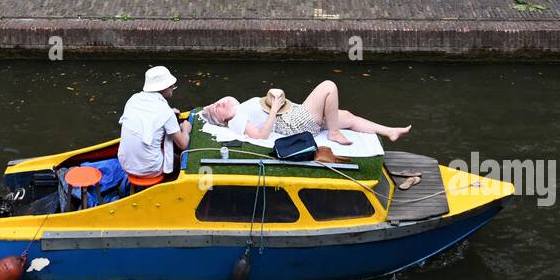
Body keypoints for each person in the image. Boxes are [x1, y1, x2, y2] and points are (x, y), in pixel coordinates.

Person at [229, 81, 412, 146]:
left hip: (294, 113)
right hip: (295, 123)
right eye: (218, 106)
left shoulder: (239, 108)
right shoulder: (235, 119)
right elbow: (261, 136)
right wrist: (275, 109)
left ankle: (389, 131)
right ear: (222, 117)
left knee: (347, 116)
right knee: (329, 86)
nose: (221, 103)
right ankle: (333, 133)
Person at [117, 66, 191, 187]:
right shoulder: (165, 112)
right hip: (150, 169)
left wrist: (170, 113)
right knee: (179, 161)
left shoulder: (133, 99)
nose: (173, 88)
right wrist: (186, 129)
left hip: (125, 164)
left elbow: (146, 114)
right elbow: (183, 145)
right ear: (164, 87)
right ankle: (167, 186)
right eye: (171, 86)